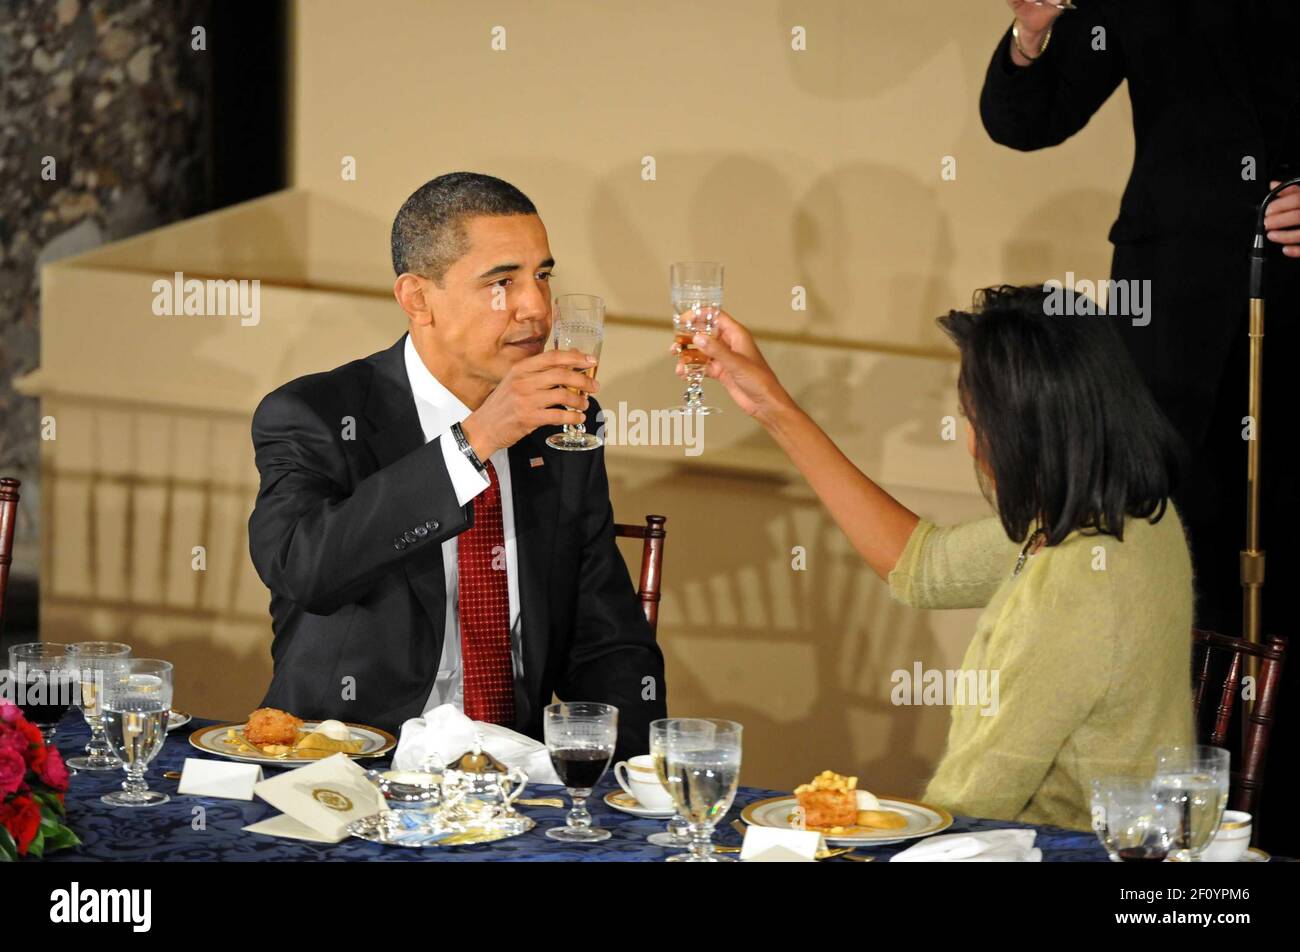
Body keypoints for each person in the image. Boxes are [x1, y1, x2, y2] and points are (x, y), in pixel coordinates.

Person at [681, 285, 1194, 830]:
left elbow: (979, 794)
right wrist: (772, 406)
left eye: (972, 418)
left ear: (1017, 431)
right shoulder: (1130, 518)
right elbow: (924, 567)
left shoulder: (1079, 582)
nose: (970, 442)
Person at [980, 0, 1300, 849]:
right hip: (1170, 321)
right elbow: (1030, 118)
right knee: (1160, 566)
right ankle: (1150, 835)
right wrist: (1033, 34)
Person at [247, 172, 666, 760]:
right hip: (346, 764)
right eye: (502, 283)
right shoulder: (316, 413)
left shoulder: (564, 419)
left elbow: (604, 638)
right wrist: (477, 439)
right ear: (418, 299)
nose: (536, 309)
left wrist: (634, 782)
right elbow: (306, 570)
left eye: (542, 276)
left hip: (509, 776)